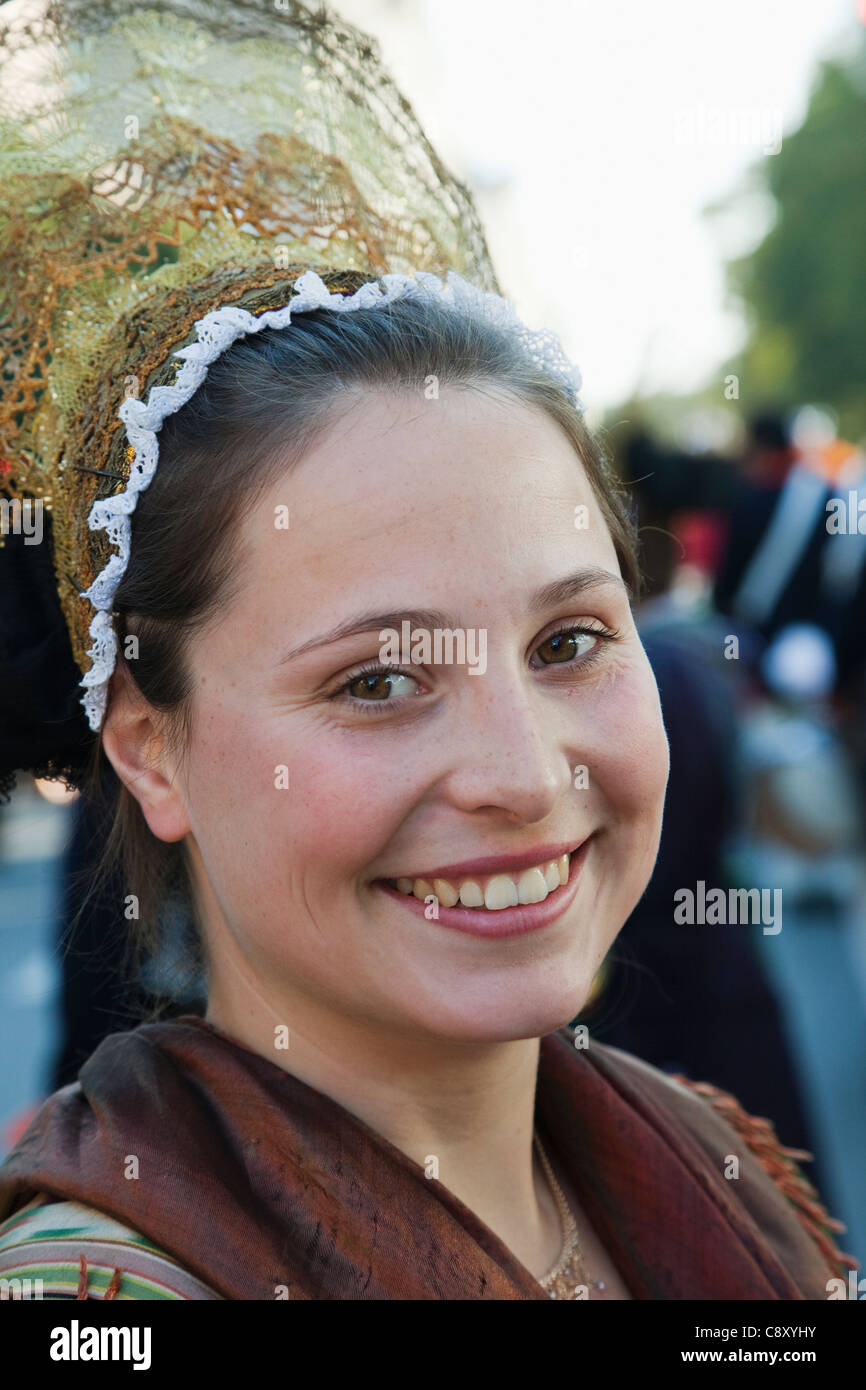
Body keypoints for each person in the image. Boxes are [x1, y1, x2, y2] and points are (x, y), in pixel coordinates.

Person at [0, 0, 854, 1301]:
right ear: (148, 747)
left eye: (568, 639)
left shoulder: (699, 1158)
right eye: (378, 679)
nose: (519, 771)